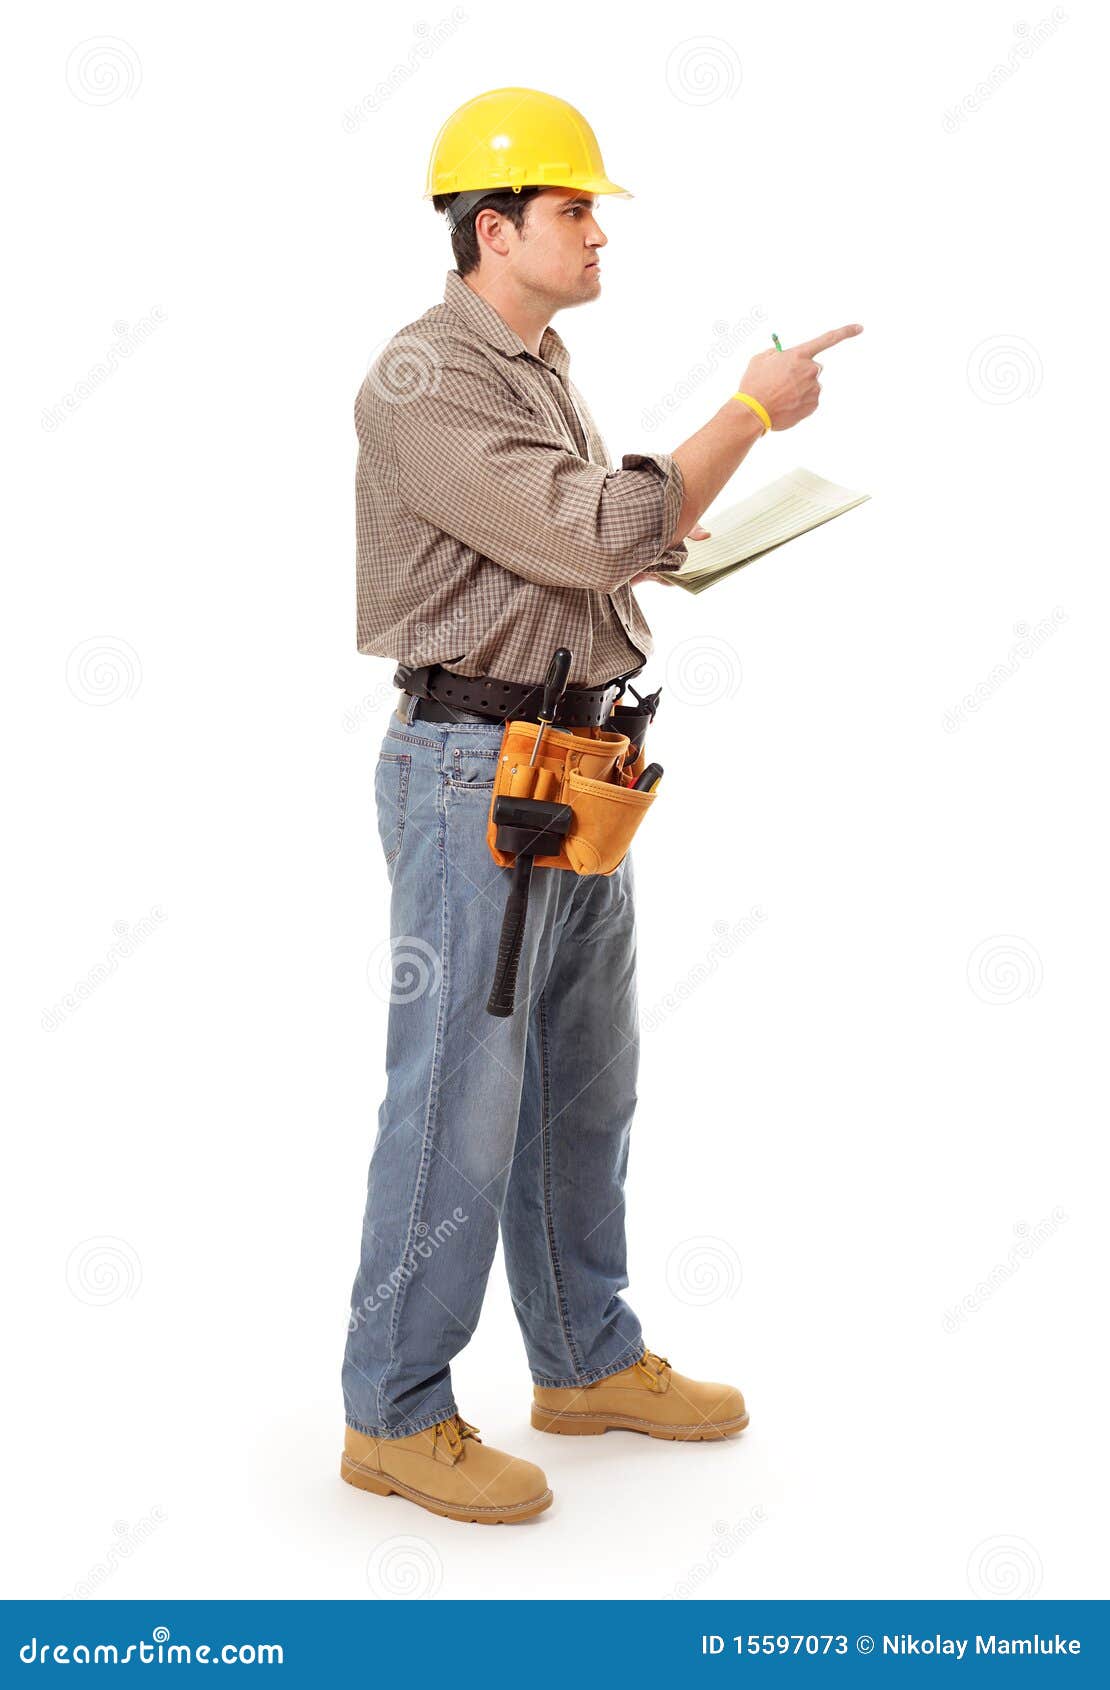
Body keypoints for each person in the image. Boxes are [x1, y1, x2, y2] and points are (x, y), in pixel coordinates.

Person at [341, 86, 863, 1524]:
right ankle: (391, 1410)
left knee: (583, 1079)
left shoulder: (536, 360)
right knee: (459, 1098)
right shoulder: (424, 377)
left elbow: (585, 551)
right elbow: (593, 529)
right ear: (491, 228)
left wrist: (665, 532)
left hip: (573, 774)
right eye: (574, 209)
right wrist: (747, 413)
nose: (595, 232)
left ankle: (582, 1357)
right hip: (476, 783)